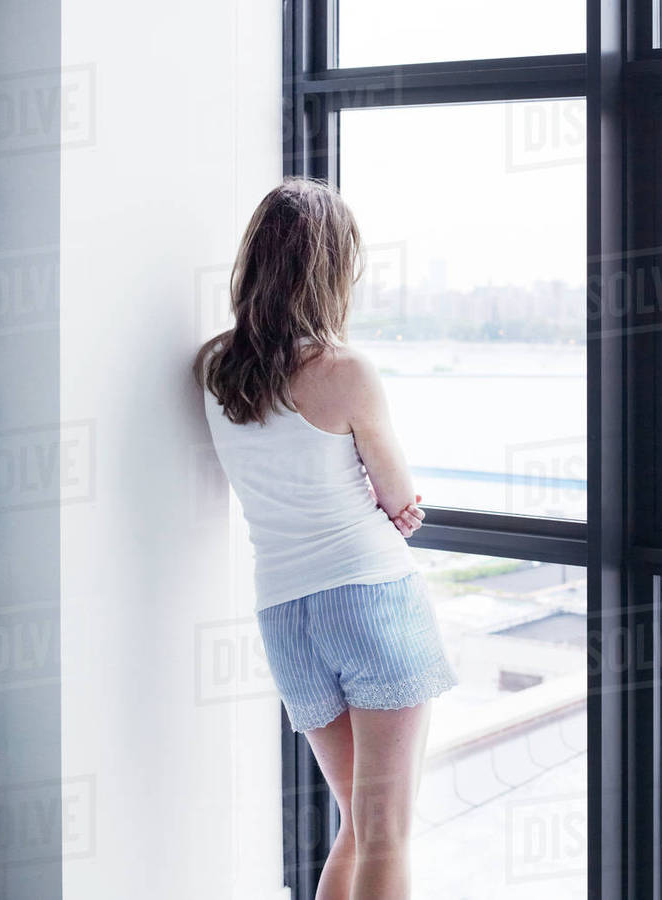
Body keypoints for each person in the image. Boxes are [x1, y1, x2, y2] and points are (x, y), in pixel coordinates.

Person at [194, 177, 458, 900]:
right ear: (333, 271)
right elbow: (400, 496)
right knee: (387, 833)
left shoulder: (215, 367)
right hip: (369, 597)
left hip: (285, 615)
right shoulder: (344, 370)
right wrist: (392, 500)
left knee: (355, 824)